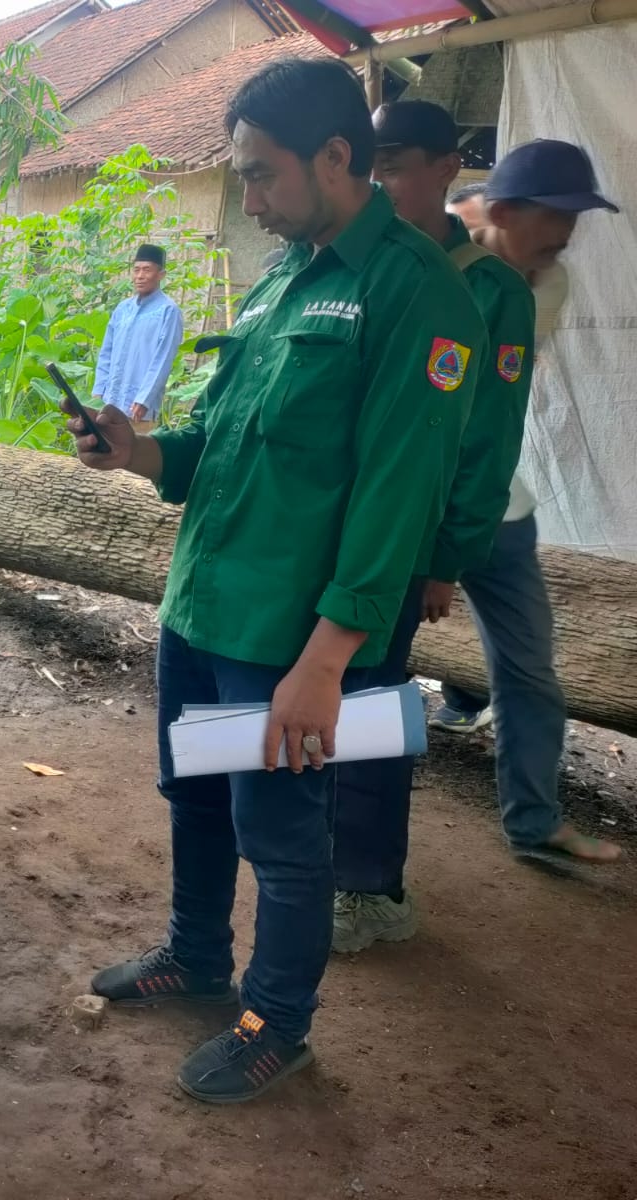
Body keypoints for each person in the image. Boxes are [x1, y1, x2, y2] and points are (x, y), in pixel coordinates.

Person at [70, 59, 481, 1104]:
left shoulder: (414, 290)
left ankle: (275, 1022)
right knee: (197, 796)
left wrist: (327, 661)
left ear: (335, 157)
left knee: (284, 835)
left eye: (260, 174)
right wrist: (135, 451)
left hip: (286, 635)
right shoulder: (278, 281)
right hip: (204, 605)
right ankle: (195, 954)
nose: (247, 200)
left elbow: (397, 495)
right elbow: (215, 441)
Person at [330, 101, 540, 952]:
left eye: (394, 165)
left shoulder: (490, 290)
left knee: (372, 705)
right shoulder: (354, 264)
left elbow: (488, 441)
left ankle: (371, 887)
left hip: (405, 541)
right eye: (368, 166)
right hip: (329, 525)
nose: (378, 182)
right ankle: (317, 861)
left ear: (449, 167)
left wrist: (446, 558)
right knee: (319, 697)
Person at [427, 140, 623, 862]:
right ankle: (347, 828)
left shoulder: (548, 285)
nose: (567, 232)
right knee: (364, 659)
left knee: (530, 670)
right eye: (555, 214)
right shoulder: (440, 266)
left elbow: (488, 396)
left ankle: (534, 824)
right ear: (505, 211)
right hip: (414, 504)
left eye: (575, 217)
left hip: (497, 505)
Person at [90, 244, 184, 431]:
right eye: (136, 270)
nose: (140, 276)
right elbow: (106, 352)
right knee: (104, 449)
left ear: (161, 275)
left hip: (138, 411)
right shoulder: (122, 309)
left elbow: (163, 359)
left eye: (147, 270)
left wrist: (144, 399)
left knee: (136, 450)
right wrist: (98, 391)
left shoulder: (168, 311)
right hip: (109, 406)